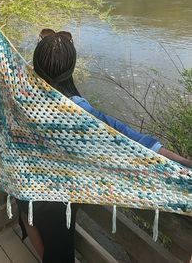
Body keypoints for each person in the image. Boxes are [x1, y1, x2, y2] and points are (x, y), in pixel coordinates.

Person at [17, 28, 192, 263]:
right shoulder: (81, 112)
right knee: (59, 251)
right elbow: (132, 140)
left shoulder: (19, 96)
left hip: (22, 182)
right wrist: (182, 161)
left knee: (28, 219)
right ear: (71, 69)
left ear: (36, 64)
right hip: (57, 197)